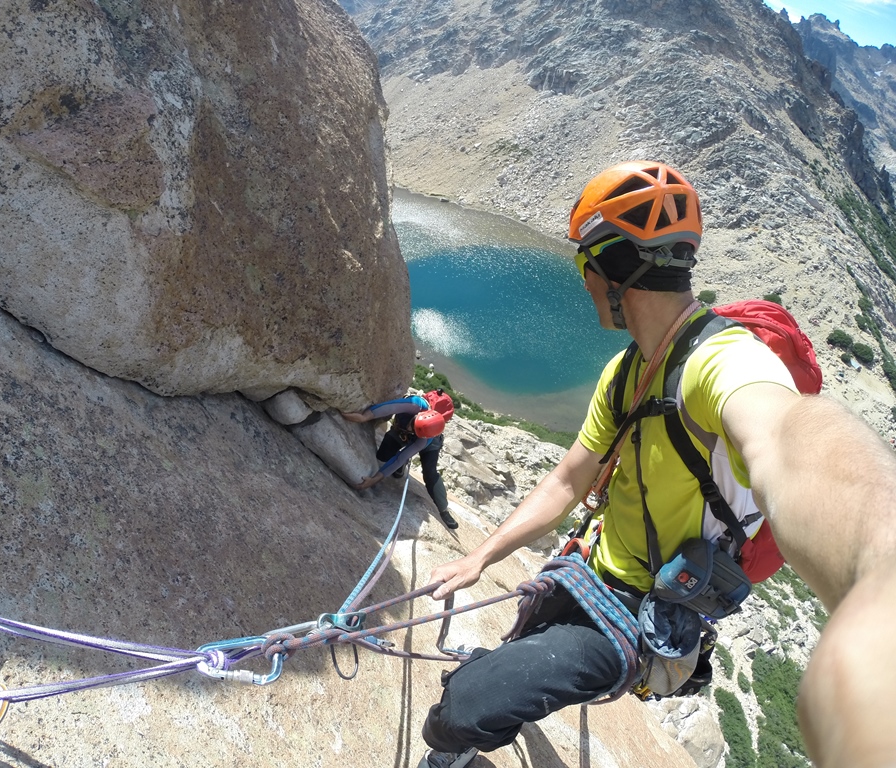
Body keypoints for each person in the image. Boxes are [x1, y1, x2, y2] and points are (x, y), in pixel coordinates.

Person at [416, 161, 896, 768]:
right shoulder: (627, 372)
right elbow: (569, 480)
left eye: (584, 266)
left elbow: (790, 439)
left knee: (465, 705)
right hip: (592, 566)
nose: (583, 280)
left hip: (644, 616)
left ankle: (458, 741)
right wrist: (481, 556)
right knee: (521, 649)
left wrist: (879, 564)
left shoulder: (723, 363)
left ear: (615, 271)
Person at [343, 395, 459, 529]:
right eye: (413, 426)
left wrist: (374, 480)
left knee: (429, 473)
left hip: (428, 443)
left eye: (414, 430)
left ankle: (444, 510)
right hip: (401, 431)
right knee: (384, 453)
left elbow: (401, 457)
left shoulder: (425, 439)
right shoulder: (414, 404)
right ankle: (400, 468)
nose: (411, 429)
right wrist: (365, 417)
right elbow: (387, 407)